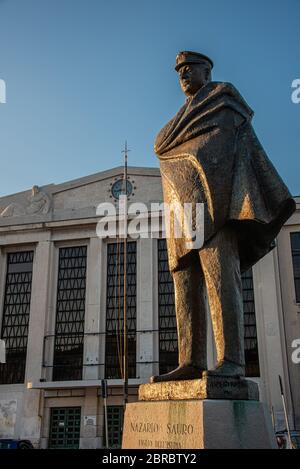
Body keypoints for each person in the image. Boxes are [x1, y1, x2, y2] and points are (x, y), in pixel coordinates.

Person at [151, 51, 295, 382]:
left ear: (207, 71)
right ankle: (190, 360)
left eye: (190, 70)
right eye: (179, 73)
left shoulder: (223, 102)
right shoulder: (180, 119)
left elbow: (226, 150)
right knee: (184, 286)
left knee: (220, 280)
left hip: (215, 207)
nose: (184, 76)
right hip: (181, 210)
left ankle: (232, 361)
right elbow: (163, 146)